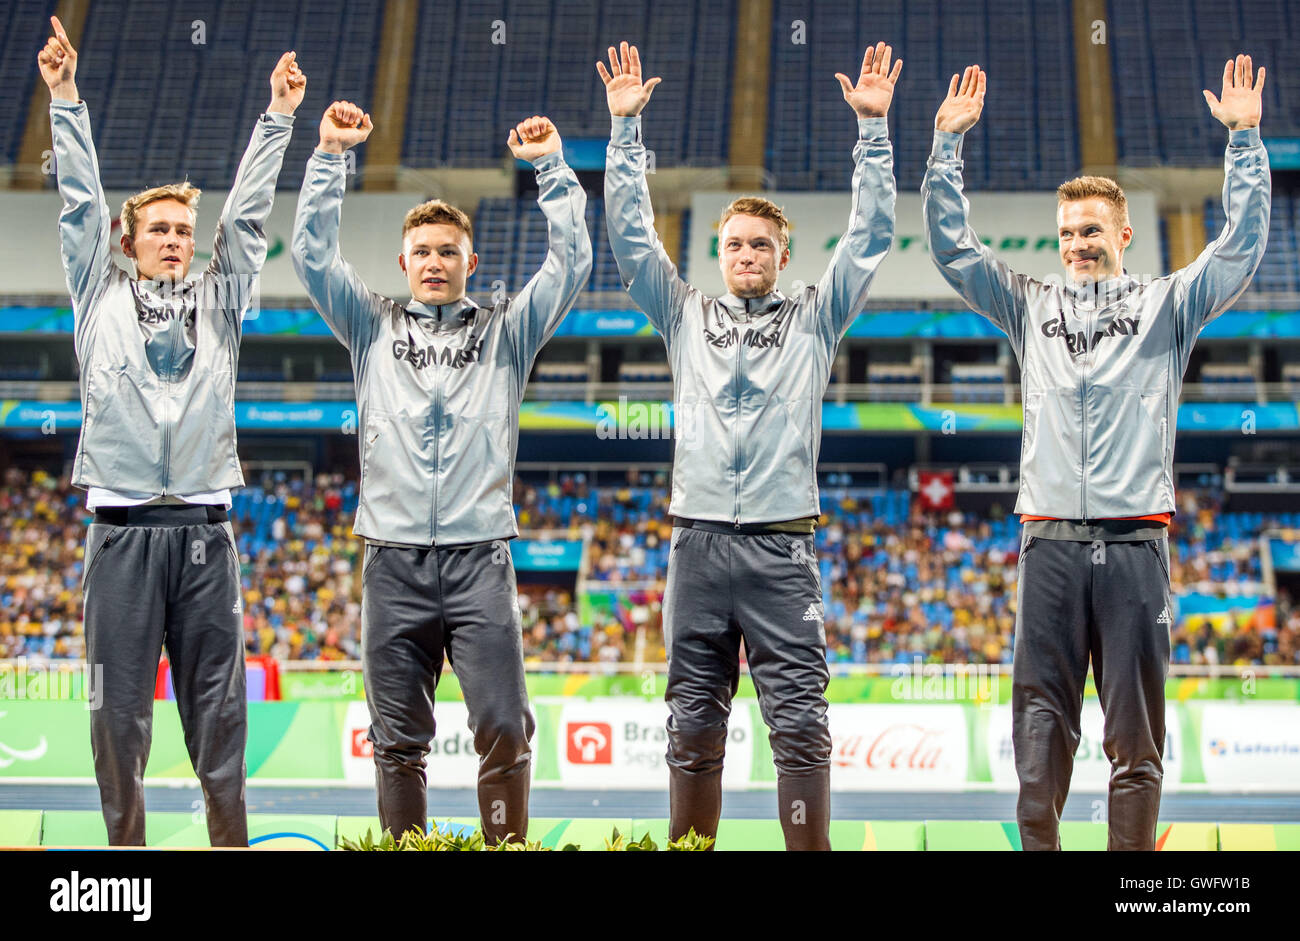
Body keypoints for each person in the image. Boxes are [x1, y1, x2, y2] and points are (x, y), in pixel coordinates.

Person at [922, 58, 1270, 850]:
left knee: (1135, 740)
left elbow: (1241, 246)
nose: (1077, 244)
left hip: (1137, 543)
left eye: (1091, 231)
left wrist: (1245, 140)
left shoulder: (1168, 304)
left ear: (1122, 235)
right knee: (1040, 733)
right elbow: (952, 249)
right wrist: (946, 148)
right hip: (1047, 542)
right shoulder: (1029, 303)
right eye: (1066, 233)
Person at [600, 40, 900, 850]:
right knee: (692, 724)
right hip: (695, 545)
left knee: (800, 723)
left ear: (784, 256)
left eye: (760, 244)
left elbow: (870, 236)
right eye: (733, 243)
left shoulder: (815, 317)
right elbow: (631, 238)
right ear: (717, 253)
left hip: (780, 548)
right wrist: (625, 132)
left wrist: (873, 132)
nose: (745, 255)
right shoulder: (684, 315)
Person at [291, 101, 592, 844]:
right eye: (421, 250)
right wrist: (330, 156)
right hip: (390, 561)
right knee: (396, 739)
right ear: (402, 263)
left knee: (502, 725)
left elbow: (573, 263)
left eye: (447, 251)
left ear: (470, 262)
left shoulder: (507, 332)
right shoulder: (369, 326)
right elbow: (311, 256)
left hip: (478, 559)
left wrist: (552, 169)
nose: (433, 261)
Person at [39, 14, 304, 846]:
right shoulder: (97, 292)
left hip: (203, 532)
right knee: (116, 722)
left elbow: (252, 218)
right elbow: (80, 199)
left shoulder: (222, 301)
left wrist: (279, 119)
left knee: (219, 719)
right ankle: (130, 859)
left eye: (185, 231)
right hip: (118, 536)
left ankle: (229, 843)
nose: (174, 240)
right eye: (159, 229)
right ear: (128, 240)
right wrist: (66, 99)